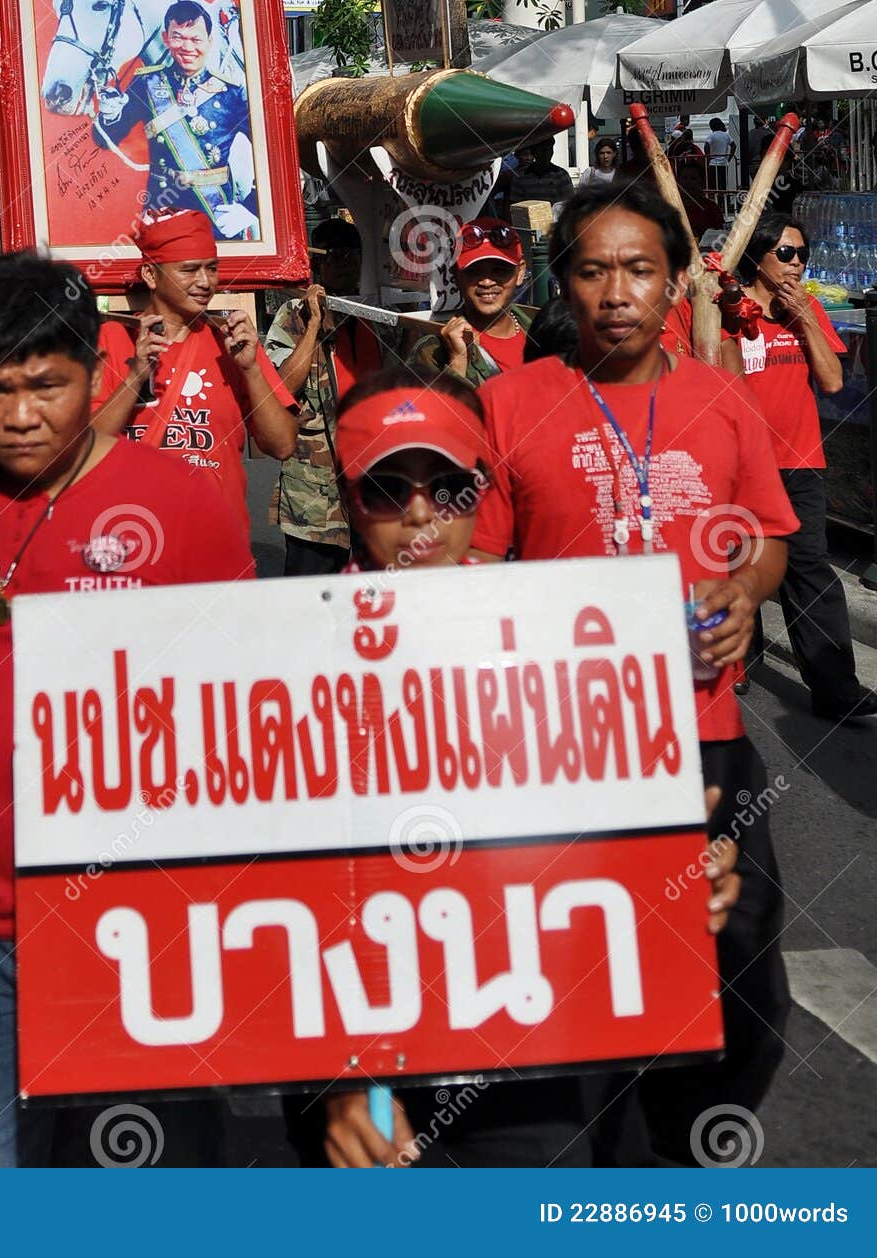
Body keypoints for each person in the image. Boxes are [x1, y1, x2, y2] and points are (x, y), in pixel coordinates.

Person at [0, 251, 254, 1167]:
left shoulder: (177, 502)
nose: (20, 416)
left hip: (137, 932)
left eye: (46, 386)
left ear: (98, 372)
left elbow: (246, 692)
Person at [313, 363, 741, 1169]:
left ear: (482, 492)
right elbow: (263, 900)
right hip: (368, 1048)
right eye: (387, 488)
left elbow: (605, 844)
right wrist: (340, 1075)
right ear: (346, 498)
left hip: (538, 1041)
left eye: (449, 488)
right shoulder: (279, 660)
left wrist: (675, 880)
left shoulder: (561, 636)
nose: (420, 515)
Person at [471, 183, 799, 1165]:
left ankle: (685, 1150)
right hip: (562, 754)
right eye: (593, 270)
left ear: (674, 283)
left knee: (742, 968)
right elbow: (476, 563)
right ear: (561, 283)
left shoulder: (724, 399)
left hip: (704, 738)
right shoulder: (508, 403)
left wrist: (746, 587)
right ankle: (599, 1173)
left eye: (640, 269)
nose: (617, 292)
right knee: (586, 974)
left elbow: (770, 534)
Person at [736, 213, 876, 721]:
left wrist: (805, 319)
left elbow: (833, 381)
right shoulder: (727, 307)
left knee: (810, 567)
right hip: (739, 465)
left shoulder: (807, 308)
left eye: (802, 255)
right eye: (785, 253)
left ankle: (836, 689)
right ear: (758, 256)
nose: (797, 264)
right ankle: (735, 665)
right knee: (739, 564)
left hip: (799, 461)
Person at [92, 210, 297, 526]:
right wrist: (135, 376)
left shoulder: (234, 344)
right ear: (150, 275)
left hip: (217, 540)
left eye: (211, 268)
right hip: (131, 538)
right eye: (189, 270)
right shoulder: (110, 339)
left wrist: (251, 370)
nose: (205, 282)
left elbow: (282, 445)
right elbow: (83, 448)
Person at [264, 216, 385, 576]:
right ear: (316, 263)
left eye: (352, 253)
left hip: (374, 484)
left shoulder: (380, 314)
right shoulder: (294, 316)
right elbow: (281, 388)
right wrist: (315, 324)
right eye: (333, 255)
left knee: (372, 593)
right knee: (311, 593)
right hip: (316, 494)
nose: (344, 262)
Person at [93, 0, 255, 239]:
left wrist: (250, 209)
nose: (187, 47)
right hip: (162, 207)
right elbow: (105, 140)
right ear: (165, 38)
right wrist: (110, 114)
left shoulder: (231, 92)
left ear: (210, 41)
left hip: (216, 213)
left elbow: (273, 152)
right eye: (178, 37)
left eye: (196, 39)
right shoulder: (146, 84)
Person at [407, 218, 533, 387]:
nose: (487, 282)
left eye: (500, 271)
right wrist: (457, 365)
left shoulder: (545, 335)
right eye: (474, 271)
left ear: (520, 273)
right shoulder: (433, 350)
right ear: (455, 275)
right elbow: (421, 403)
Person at [506, 139, 573, 209]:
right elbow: (516, 205)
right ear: (534, 152)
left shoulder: (561, 175)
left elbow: (570, 203)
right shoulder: (521, 176)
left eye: (550, 149)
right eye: (543, 150)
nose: (547, 154)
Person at [705, 117, 735, 193]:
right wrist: (730, 157)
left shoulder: (711, 135)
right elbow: (734, 146)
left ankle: (716, 198)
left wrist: (708, 157)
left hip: (713, 163)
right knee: (723, 184)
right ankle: (724, 198)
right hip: (724, 163)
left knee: (714, 185)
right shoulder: (726, 135)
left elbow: (706, 145)